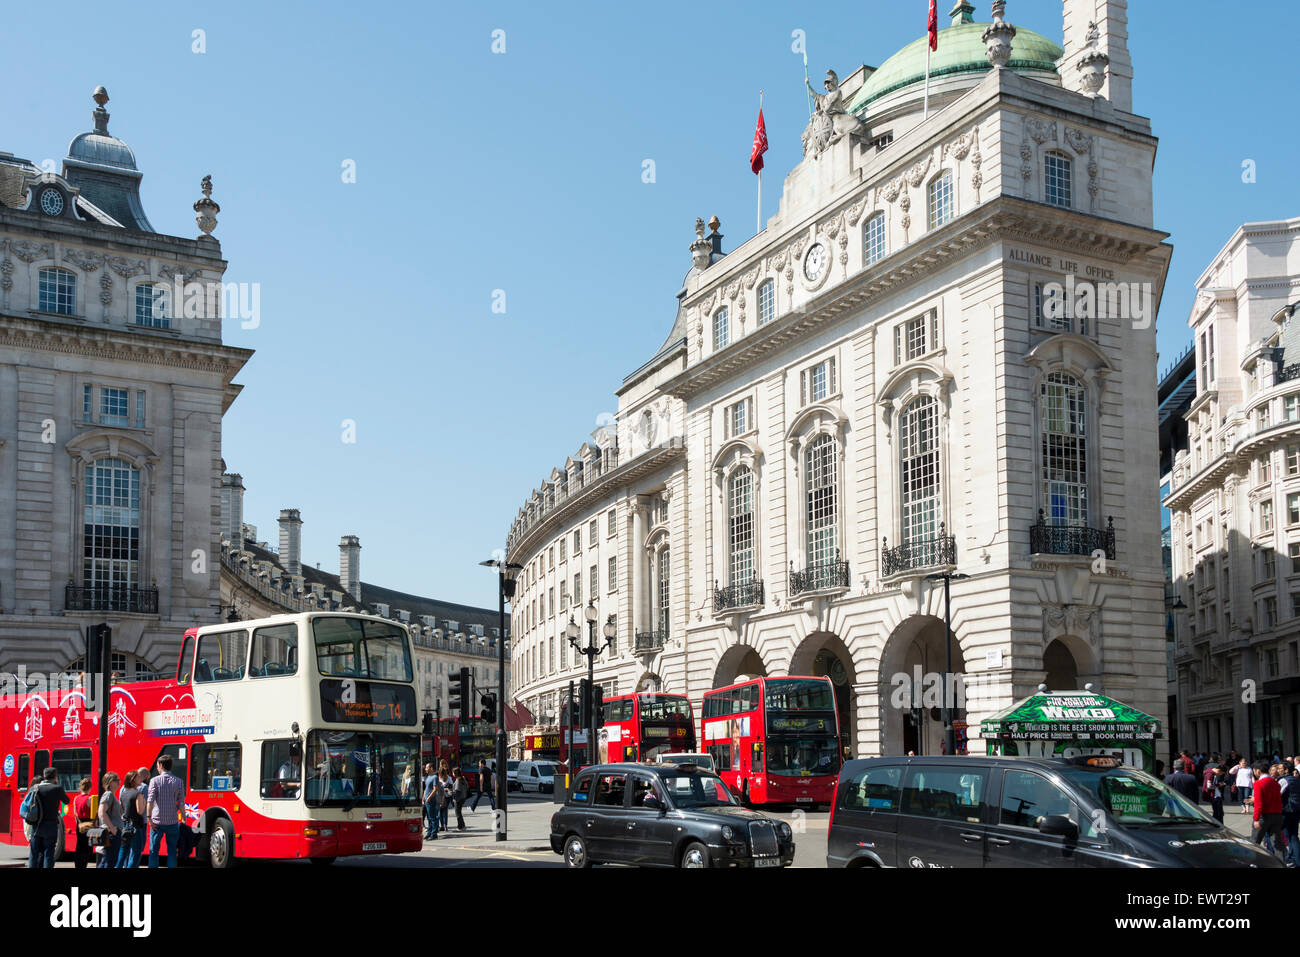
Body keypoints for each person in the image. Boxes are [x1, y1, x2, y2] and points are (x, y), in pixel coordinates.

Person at [146, 753, 185, 868]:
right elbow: (181, 803)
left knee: (153, 851)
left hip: (156, 822)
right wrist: (183, 818)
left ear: (161, 765)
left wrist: (149, 818)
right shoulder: (179, 781)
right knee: (172, 851)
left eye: (157, 765)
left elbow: (150, 801)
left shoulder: (154, 781)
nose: (157, 768)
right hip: (172, 822)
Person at [27, 767, 69, 869]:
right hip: (50, 826)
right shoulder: (57, 788)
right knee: (48, 853)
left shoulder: (34, 788)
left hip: (36, 825)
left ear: (44, 776)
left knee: (34, 853)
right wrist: (56, 784)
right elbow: (67, 800)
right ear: (55, 777)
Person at [1252, 761, 1285, 861]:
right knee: (1277, 844)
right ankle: (1282, 864)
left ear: (1258, 771)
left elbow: (1258, 803)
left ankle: (1254, 862)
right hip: (1277, 815)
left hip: (1264, 816)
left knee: (1254, 842)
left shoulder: (1258, 784)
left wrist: (1256, 818)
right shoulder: (1276, 783)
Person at [116, 770, 146, 869]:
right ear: (133, 780)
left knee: (123, 850)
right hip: (135, 826)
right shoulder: (138, 794)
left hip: (125, 825)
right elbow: (140, 811)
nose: (140, 778)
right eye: (138, 777)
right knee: (136, 852)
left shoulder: (123, 793)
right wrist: (144, 803)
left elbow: (121, 810)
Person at [97, 772, 122, 868]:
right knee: (110, 861)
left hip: (112, 832)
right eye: (117, 780)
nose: (119, 782)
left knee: (106, 860)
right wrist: (112, 828)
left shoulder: (111, 795)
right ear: (111, 782)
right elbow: (101, 812)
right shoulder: (108, 794)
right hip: (111, 833)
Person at [71, 777, 95, 869]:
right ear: (90, 787)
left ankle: (78, 865)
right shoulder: (90, 799)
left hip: (79, 824)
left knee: (79, 846)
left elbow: (75, 814)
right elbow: (93, 814)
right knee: (86, 847)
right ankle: (83, 865)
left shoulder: (76, 798)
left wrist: (78, 823)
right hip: (88, 824)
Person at [133, 766, 150, 867]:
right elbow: (147, 804)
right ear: (146, 776)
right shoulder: (144, 787)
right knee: (139, 847)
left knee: (129, 848)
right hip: (141, 821)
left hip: (128, 821)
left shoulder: (123, 787)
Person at [422, 763, 440, 839]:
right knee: (429, 818)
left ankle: (434, 834)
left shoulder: (435, 777)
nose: (425, 769)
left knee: (433, 817)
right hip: (426, 800)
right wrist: (423, 798)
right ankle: (429, 832)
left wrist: (429, 797)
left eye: (427, 767)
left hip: (431, 800)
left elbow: (435, 789)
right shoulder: (428, 777)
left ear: (431, 768)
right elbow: (426, 789)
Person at [436, 761, 452, 834]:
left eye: (440, 774)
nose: (439, 776)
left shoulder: (448, 778)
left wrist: (445, 789)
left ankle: (444, 825)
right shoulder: (438, 778)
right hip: (440, 796)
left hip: (446, 796)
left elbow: (451, 788)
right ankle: (443, 825)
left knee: (443, 811)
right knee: (441, 811)